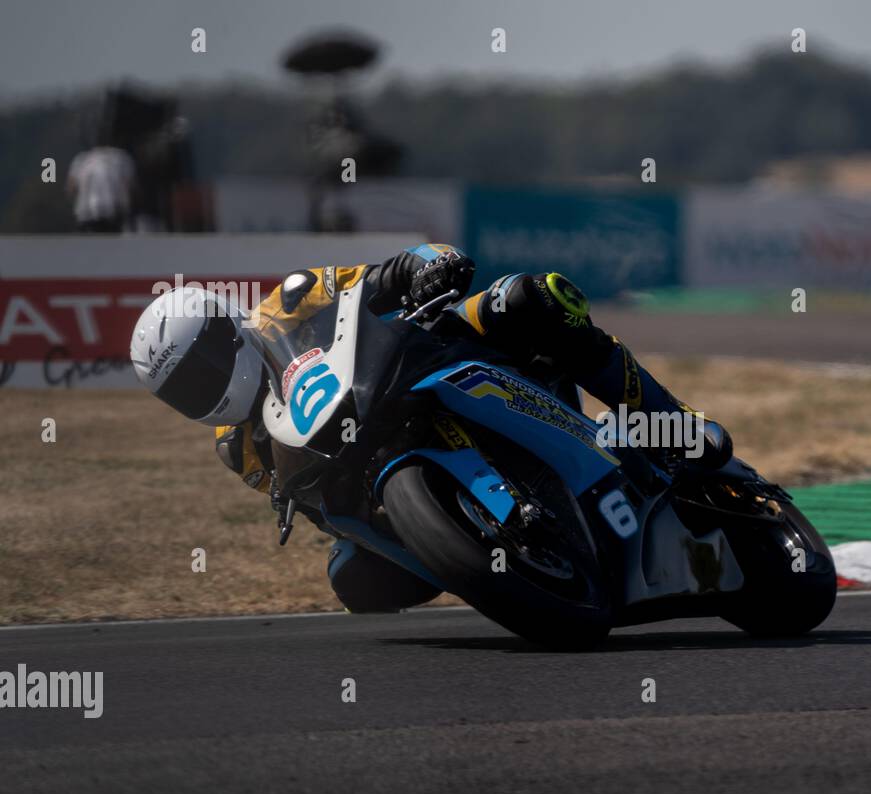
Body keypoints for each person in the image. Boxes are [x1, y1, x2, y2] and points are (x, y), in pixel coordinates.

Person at [129, 243, 731, 612]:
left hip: (421, 357)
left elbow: (389, 271)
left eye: (202, 366)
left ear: (229, 329)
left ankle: (667, 420)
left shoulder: (289, 300)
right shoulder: (238, 451)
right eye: (185, 389)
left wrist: (428, 268)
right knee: (353, 584)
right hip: (376, 466)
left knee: (531, 297)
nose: (204, 388)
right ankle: (499, 558)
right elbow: (318, 509)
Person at [67, 145, 137, 233]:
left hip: (87, 212)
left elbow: (71, 187)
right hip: (113, 211)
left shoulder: (81, 159)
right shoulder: (122, 157)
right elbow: (130, 186)